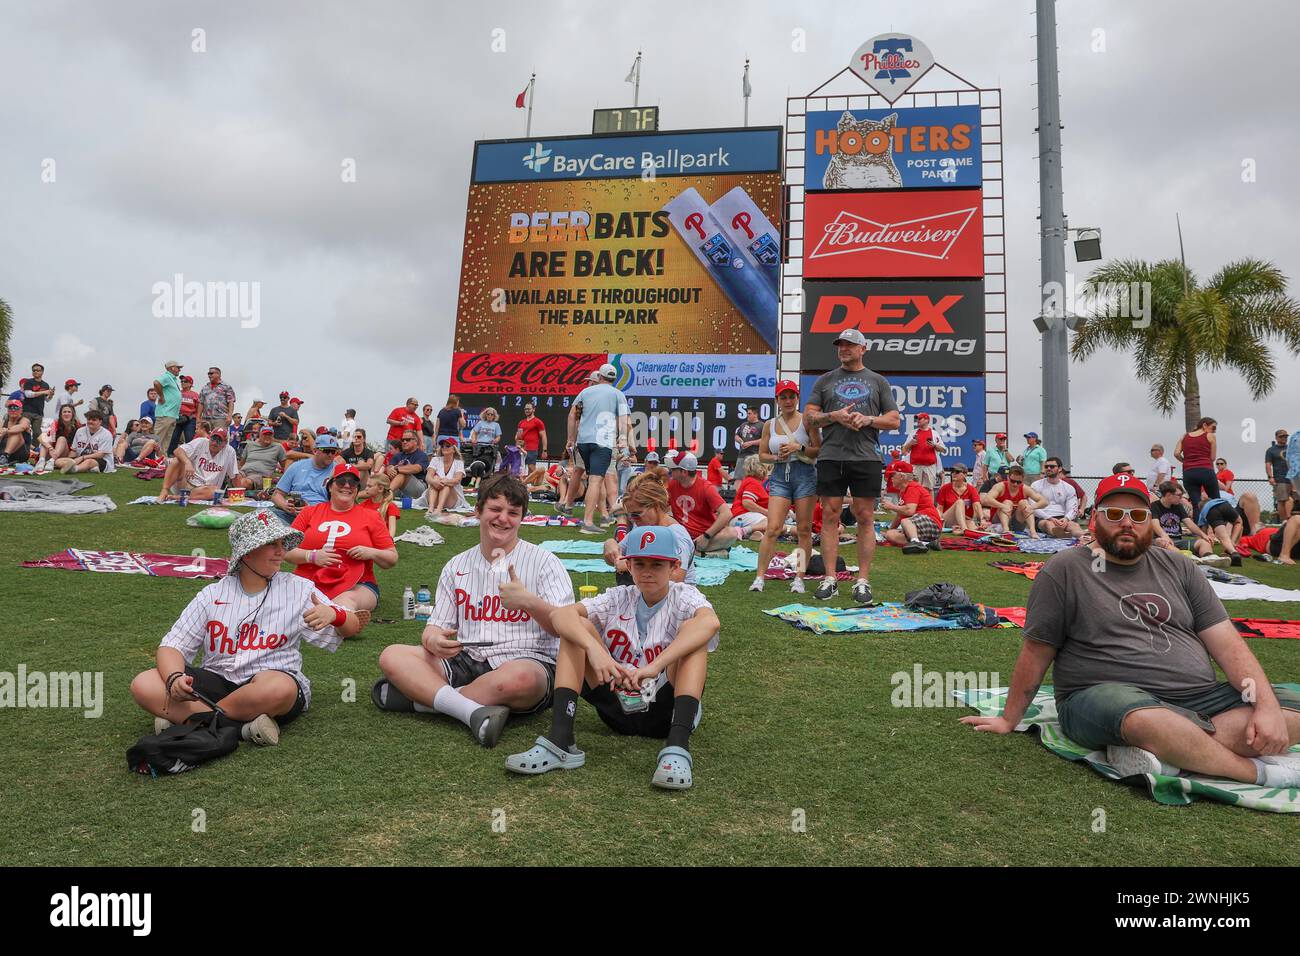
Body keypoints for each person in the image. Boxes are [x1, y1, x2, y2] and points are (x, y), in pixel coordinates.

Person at [961, 473, 1300, 790]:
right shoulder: (1064, 570)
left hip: (1199, 697)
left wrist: (1266, 707)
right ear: (1094, 518)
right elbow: (1037, 651)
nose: (1127, 523)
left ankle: (1172, 756)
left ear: (1149, 522)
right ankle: (1258, 772)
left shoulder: (1180, 566)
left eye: (1138, 516)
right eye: (1114, 514)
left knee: (1283, 703)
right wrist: (1009, 719)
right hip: (1105, 697)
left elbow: (1228, 645)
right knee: (1146, 720)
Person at [505, 525, 719, 789]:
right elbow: (560, 616)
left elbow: (710, 623)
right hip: (617, 703)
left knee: (693, 634)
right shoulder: (620, 596)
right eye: (639, 563)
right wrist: (597, 652)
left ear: (674, 567)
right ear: (628, 566)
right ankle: (561, 741)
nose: (648, 571)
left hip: (665, 708)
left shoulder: (684, 596)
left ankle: (677, 747)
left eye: (657, 564)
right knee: (577, 628)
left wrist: (654, 666)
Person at [371, 474, 575, 747]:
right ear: (477, 510)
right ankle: (472, 711)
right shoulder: (457, 564)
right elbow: (434, 626)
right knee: (392, 656)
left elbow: (567, 629)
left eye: (513, 513)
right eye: (495, 509)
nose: (503, 519)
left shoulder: (545, 562)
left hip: (526, 660)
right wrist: (434, 640)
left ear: (522, 518)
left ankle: (426, 700)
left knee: (519, 680)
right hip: (466, 658)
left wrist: (529, 602)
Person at [129, 511, 359, 749]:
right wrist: (174, 679)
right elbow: (172, 646)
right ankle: (240, 728)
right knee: (144, 683)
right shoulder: (213, 594)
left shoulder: (298, 589)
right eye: (272, 544)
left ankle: (192, 720)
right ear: (248, 552)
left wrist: (336, 614)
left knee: (279, 688)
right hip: (218, 681)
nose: (282, 551)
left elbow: (351, 627)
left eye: (282, 544)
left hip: (268, 682)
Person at [804, 328, 901, 604]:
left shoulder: (878, 381)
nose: (844, 349)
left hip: (866, 456)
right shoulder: (825, 381)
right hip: (832, 455)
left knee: (865, 516)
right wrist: (832, 416)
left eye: (850, 345)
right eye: (841, 345)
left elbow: (894, 419)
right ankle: (830, 578)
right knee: (830, 515)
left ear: (863, 348)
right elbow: (810, 419)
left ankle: (862, 581)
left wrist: (868, 420)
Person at [286, 462, 396, 624]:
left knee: (346, 601)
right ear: (330, 486)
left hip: (357, 584)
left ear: (357, 489)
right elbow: (285, 551)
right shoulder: (310, 512)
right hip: (309, 579)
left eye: (352, 483)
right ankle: (325, 618)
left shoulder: (371, 516)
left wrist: (371, 552)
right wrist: (312, 556)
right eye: (341, 481)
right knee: (286, 598)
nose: (347, 486)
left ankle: (341, 619)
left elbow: (391, 558)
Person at [751, 380, 817, 594]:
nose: (788, 401)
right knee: (772, 528)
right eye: (783, 397)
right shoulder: (770, 424)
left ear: (798, 398)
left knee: (804, 529)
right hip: (780, 475)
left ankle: (799, 577)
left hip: (804, 475)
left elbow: (819, 450)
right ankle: (760, 577)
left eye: (792, 396)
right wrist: (777, 456)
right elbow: (762, 455)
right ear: (777, 400)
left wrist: (799, 447)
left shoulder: (807, 421)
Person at [562, 363, 630, 534]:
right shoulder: (618, 394)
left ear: (599, 377)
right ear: (614, 379)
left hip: (584, 441)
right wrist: (622, 439)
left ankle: (597, 516)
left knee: (594, 479)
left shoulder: (585, 392)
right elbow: (623, 419)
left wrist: (571, 438)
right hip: (603, 442)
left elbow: (572, 415)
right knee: (595, 480)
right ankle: (588, 522)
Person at [604, 469, 698, 585]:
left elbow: (676, 579)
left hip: (676, 599)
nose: (633, 519)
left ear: (656, 506)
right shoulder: (642, 529)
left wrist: (632, 567)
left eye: (636, 514)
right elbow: (615, 556)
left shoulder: (676, 535)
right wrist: (610, 544)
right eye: (629, 515)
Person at [667, 453, 739, 555]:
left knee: (731, 533)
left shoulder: (706, 487)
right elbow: (660, 507)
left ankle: (694, 550)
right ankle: (702, 552)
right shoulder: (672, 484)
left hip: (702, 536)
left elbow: (727, 514)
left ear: (684, 472)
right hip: (681, 535)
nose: (670, 471)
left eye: (674, 469)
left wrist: (706, 536)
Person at [1150, 481, 1228, 565]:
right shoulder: (1154, 506)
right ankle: (1188, 559)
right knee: (1162, 542)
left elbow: (1189, 523)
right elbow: (1155, 524)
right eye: (1179, 495)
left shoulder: (1178, 506)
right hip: (1160, 541)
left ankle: (1209, 558)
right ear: (1168, 495)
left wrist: (1203, 535)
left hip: (1177, 541)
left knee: (1203, 542)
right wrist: (1164, 536)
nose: (1181, 498)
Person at [157, 428, 240, 502]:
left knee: (215, 491)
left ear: (225, 443)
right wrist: (188, 463)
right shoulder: (201, 442)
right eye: (213, 439)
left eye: (219, 441)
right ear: (209, 438)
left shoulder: (230, 451)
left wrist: (240, 494)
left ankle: (180, 497)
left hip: (206, 490)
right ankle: (164, 490)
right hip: (186, 483)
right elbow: (178, 451)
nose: (214, 443)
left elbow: (234, 475)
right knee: (176, 460)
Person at [271, 433, 338, 521]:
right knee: (264, 514)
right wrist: (285, 505)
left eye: (333, 451)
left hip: (321, 517)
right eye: (326, 450)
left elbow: (341, 505)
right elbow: (277, 494)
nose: (330, 455)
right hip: (293, 514)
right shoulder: (297, 466)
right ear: (315, 451)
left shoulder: (338, 471)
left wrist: (311, 509)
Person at [881, 463, 943, 553]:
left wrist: (891, 506)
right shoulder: (904, 490)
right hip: (920, 525)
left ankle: (915, 542)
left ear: (902, 476)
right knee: (890, 535)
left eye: (893, 475)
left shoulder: (912, 487)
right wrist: (888, 532)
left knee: (905, 521)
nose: (891, 478)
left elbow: (910, 511)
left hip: (931, 523)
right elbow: (900, 515)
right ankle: (927, 544)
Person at [981, 464, 1047, 536]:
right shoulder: (1000, 486)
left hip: (1017, 522)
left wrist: (1032, 507)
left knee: (1024, 502)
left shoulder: (1025, 488)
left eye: (1018, 482)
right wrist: (1002, 506)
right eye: (1012, 481)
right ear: (1008, 478)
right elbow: (986, 499)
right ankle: (1006, 530)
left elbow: (1044, 501)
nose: (1015, 484)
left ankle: (1032, 531)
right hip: (999, 521)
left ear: (1023, 479)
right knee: (1007, 502)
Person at [1029, 456, 1084, 539]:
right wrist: (1049, 518)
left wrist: (1066, 519)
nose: (1048, 468)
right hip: (1043, 518)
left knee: (1074, 525)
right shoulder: (1036, 485)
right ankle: (1062, 535)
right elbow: (1032, 506)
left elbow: (1073, 508)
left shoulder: (1068, 487)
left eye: (1052, 466)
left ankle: (1085, 538)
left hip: (1062, 518)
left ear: (1060, 468)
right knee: (1048, 524)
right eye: (1046, 466)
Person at [1173, 416, 1219, 514]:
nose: (1214, 431)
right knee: (1216, 501)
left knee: (1196, 504)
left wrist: (1185, 461)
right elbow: (1212, 458)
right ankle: (1216, 526)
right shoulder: (1210, 436)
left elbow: (1176, 453)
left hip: (1189, 472)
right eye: (1213, 428)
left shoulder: (1185, 436)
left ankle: (1198, 528)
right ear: (1204, 425)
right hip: (1205, 470)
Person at [54, 408, 114, 474]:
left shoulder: (106, 434)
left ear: (100, 421)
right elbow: (74, 450)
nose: (90, 421)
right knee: (58, 461)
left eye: (94, 420)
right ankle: (87, 468)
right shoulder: (80, 431)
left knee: (89, 461)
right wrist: (71, 460)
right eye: (89, 419)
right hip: (81, 458)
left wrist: (82, 458)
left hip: (100, 460)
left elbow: (101, 455)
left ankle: (74, 469)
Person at [901, 412, 946, 494]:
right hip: (915, 465)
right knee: (914, 488)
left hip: (930, 465)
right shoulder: (913, 433)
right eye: (917, 419)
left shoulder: (934, 433)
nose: (917, 421)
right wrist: (910, 443)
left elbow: (943, 449)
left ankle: (929, 507)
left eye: (920, 418)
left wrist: (934, 445)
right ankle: (916, 506)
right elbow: (904, 450)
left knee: (929, 489)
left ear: (926, 420)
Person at [235, 424, 287, 490]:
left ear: (273, 436)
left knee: (245, 482)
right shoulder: (250, 445)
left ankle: (236, 493)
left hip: (260, 475)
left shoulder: (278, 447)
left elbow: (285, 466)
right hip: (244, 472)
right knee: (235, 477)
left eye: (270, 435)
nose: (267, 436)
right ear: (259, 435)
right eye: (265, 434)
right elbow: (241, 463)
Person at [729, 459, 771, 540]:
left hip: (741, 517)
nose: (768, 471)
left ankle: (751, 534)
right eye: (767, 468)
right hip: (741, 516)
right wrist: (766, 512)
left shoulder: (751, 481)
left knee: (781, 527)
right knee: (773, 523)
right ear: (761, 469)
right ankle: (743, 531)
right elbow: (747, 502)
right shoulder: (753, 482)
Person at [937, 463, 985, 532]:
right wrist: (940, 522)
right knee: (960, 502)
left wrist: (982, 519)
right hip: (948, 519)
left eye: (957, 472)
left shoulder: (971, 489)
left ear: (965, 474)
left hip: (965, 519)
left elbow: (977, 505)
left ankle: (969, 531)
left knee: (973, 527)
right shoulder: (945, 488)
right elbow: (939, 508)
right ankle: (964, 530)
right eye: (952, 471)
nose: (954, 473)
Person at [425, 437, 467, 517]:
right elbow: (428, 477)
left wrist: (444, 481)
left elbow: (457, 480)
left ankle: (438, 509)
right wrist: (435, 482)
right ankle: (430, 509)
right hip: (434, 495)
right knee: (435, 480)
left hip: (452, 498)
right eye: (442, 446)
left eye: (447, 446)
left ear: (454, 449)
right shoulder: (435, 460)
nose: (444, 447)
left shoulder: (459, 463)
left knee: (447, 484)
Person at [385, 429, 429, 502]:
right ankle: (364, 495)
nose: (404, 442)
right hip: (399, 486)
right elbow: (390, 467)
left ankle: (386, 495)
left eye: (407, 440)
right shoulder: (398, 455)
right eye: (402, 440)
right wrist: (390, 470)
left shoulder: (422, 455)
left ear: (415, 441)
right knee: (381, 477)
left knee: (403, 474)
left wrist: (397, 469)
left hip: (419, 488)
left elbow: (417, 468)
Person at [151, 360, 184, 457]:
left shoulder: (172, 379)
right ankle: (151, 458)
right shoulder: (167, 376)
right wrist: (161, 396)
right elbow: (156, 383)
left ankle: (161, 459)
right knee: (158, 439)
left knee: (165, 441)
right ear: (172, 368)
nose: (179, 370)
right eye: (178, 368)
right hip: (165, 413)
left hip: (171, 415)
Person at [1236, 517, 1300, 565]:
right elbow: (1241, 541)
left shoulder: (1273, 530)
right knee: (1296, 519)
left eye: (1261, 524)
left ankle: (1285, 554)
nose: (1260, 524)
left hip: (1291, 545)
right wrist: (1244, 545)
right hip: (1275, 544)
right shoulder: (1253, 537)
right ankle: (1284, 555)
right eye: (1258, 524)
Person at [36, 403, 80, 470]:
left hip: (66, 454)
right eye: (64, 412)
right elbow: (42, 437)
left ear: (73, 414)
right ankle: (41, 461)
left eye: (69, 412)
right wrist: (50, 447)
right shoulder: (56, 423)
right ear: (61, 414)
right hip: (53, 451)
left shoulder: (77, 426)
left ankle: (51, 461)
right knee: (46, 440)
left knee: (61, 439)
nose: (66, 414)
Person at [358, 471, 400, 536]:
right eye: (366, 486)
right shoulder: (363, 505)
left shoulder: (390, 506)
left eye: (369, 486)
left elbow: (392, 530)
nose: (366, 489)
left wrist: (389, 543)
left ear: (380, 489)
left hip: (383, 540)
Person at [19, 363, 54, 441]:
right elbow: (27, 394)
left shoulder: (45, 384)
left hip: (39, 413)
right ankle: (23, 448)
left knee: (37, 433)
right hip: (27, 411)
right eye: (34, 370)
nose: (35, 372)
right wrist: (44, 392)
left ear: (42, 372)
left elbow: (47, 400)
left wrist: (51, 395)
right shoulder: (29, 382)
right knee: (24, 429)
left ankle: (36, 450)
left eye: (38, 370)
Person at [1265, 428, 1294, 523]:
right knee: (1282, 500)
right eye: (1281, 436)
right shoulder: (1271, 450)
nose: (1284, 438)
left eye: (1285, 436)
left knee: (1294, 499)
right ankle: (1285, 521)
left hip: (1294, 478)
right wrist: (1270, 477)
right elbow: (1268, 464)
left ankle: (1293, 520)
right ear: (1276, 437)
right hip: (1280, 478)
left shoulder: (1292, 448)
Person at [198, 366, 236, 432]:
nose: (209, 375)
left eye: (211, 373)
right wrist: (198, 417)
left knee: (219, 438)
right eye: (208, 374)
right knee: (205, 439)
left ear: (218, 374)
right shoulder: (205, 387)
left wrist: (229, 416)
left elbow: (231, 402)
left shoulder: (226, 386)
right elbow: (201, 403)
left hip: (220, 418)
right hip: (206, 419)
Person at [170, 374, 199, 454]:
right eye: (181, 381)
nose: (182, 383)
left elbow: (198, 409)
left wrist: (196, 419)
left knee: (189, 438)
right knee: (174, 437)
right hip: (178, 418)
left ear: (190, 384)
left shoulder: (195, 395)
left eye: (185, 381)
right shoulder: (177, 393)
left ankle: (190, 455)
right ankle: (170, 455)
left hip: (190, 419)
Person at [515, 402, 548, 471]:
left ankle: (536, 481)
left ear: (533, 409)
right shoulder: (521, 422)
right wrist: (517, 440)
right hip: (521, 449)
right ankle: (524, 482)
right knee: (519, 468)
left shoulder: (538, 422)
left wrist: (544, 450)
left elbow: (543, 436)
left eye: (529, 409)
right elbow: (518, 436)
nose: (527, 410)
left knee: (531, 468)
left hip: (532, 449)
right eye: (525, 409)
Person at [0, 398, 33, 466]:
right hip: (3, 451)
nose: (13, 410)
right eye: (10, 408)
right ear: (8, 410)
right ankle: (3, 457)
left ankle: (5, 456)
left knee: (15, 433)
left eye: (16, 408)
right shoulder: (3, 422)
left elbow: (22, 427)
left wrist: (6, 431)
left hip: (20, 453)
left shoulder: (25, 420)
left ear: (21, 410)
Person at [733, 405, 763, 479]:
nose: (747, 415)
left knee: (754, 477)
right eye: (748, 413)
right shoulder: (744, 424)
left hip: (754, 456)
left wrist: (750, 443)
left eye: (749, 413)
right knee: (738, 477)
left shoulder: (762, 425)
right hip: (742, 455)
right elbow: (736, 436)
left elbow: (764, 440)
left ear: (755, 414)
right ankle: (738, 491)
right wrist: (739, 440)